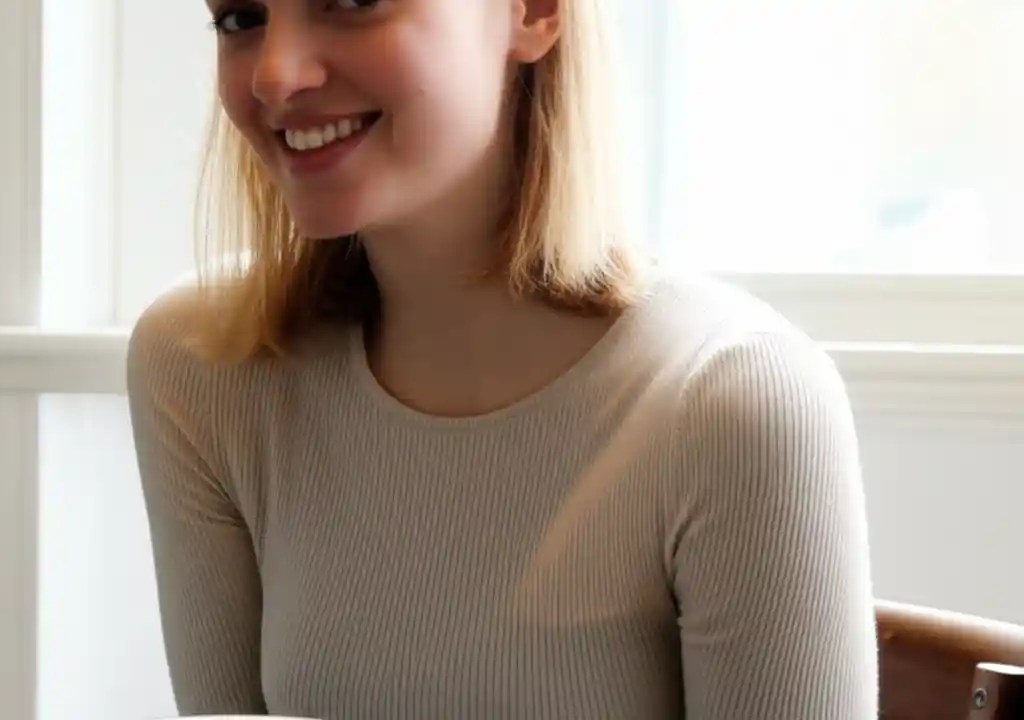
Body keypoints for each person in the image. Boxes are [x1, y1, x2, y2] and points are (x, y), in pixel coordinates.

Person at [125, 0, 879, 716]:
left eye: (350, 1)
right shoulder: (202, 370)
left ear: (534, 11)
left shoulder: (734, 404)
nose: (275, 75)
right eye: (240, 19)